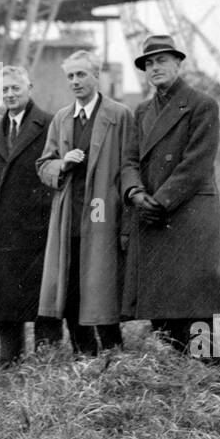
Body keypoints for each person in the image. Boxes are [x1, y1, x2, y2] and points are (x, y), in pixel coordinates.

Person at [123, 35, 220, 356]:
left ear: (179, 64)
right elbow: (128, 160)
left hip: (189, 211)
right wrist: (136, 193)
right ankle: (179, 363)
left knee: (194, 296)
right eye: (149, 63)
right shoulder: (141, 111)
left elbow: (196, 164)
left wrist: (160, 201)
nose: (155, 68)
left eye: (162, 61)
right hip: (151, 210)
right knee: (160, 296)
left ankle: (207, 367)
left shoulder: (201, 104)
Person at [36, 50, 138, 356]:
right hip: (68, 214)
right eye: (70, 76)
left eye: (81, 74)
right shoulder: (62, 118)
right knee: (69, 288)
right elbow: (43, 165)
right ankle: (84, 353)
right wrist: (62, 164)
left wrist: (125, 215)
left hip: (103, 214)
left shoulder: (119, 116)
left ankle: (113, 354)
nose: (75, 81)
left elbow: (130, 164)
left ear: (96, 76)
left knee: (102, 286)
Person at [0, 66, 53, 364]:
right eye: (5, 89)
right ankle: (11, 355)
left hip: (36, 224)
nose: (9, 94)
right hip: (2, 225)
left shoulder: (48, 123)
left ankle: (46, 356)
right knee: (4, 294)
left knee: (40, 294)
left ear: (29, 88)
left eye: (15, 88)